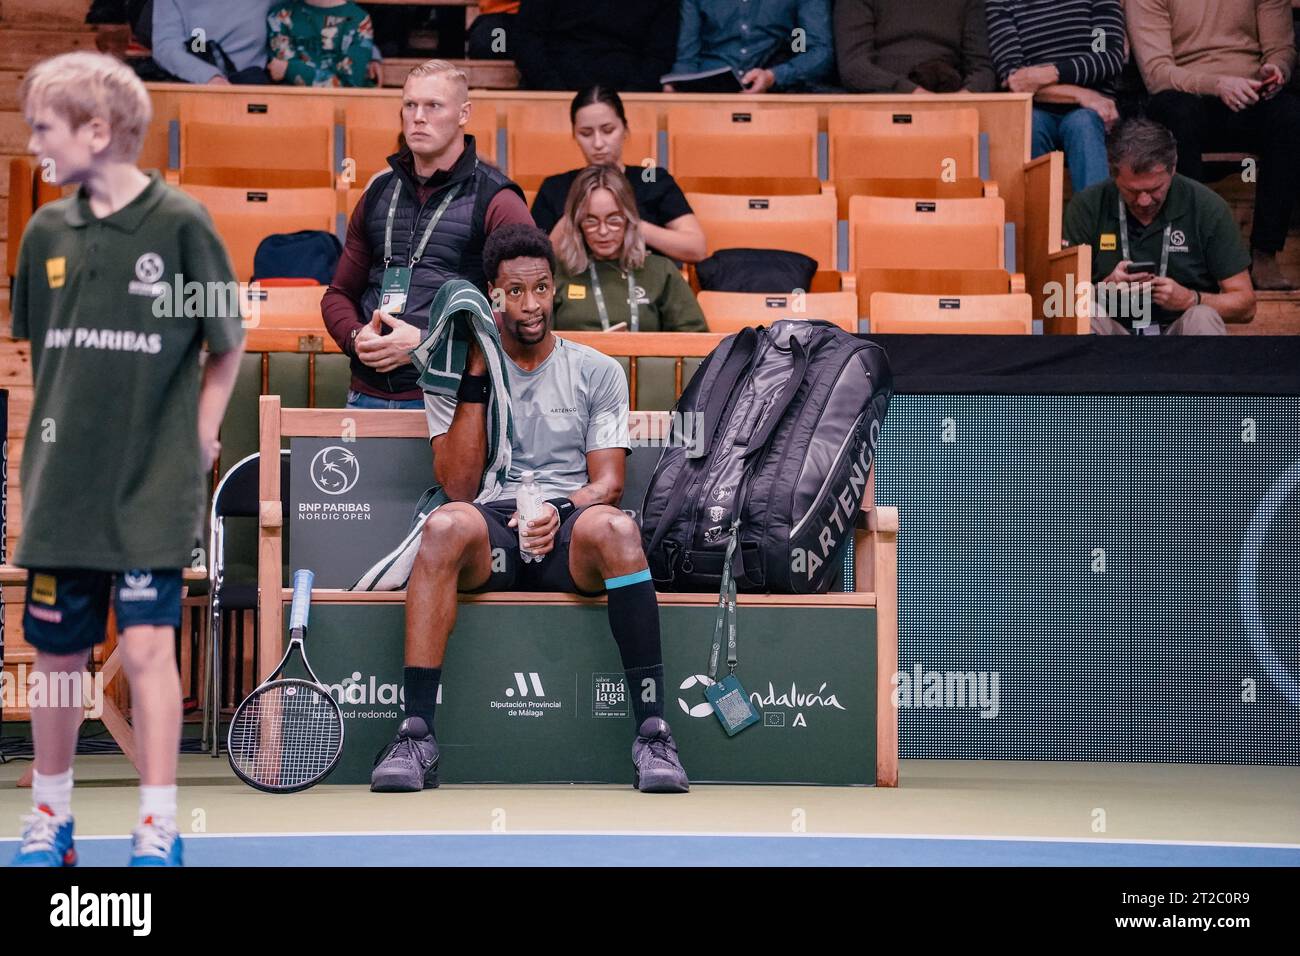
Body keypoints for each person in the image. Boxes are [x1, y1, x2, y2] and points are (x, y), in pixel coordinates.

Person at [9, 52, 245, 866]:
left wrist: (203, 431)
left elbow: (226, 343)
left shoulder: (181, 225)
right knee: (60, 656)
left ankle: (157, 825)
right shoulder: (45, 233)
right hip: (63, 488)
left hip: (153, 481)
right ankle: (52, 817)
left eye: (45, 127)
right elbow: (45, 356)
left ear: (98, 132)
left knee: (146, 648)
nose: (33, 140)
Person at [370, 224, 690, 794]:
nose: (531, 305)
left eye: (541, 289)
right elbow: (460, 486)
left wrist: (555, 511)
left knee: (618, 531)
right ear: (491, 292)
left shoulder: (598, 371)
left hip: (570, 526)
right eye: (514, 292)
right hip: (491, 522)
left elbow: (609, 483)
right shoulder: (451, 371)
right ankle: (416, 734)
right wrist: (475, 372)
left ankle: (653, 737)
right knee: (443, 527)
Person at [321, 60, 533, 409]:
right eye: (409, 105)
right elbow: (338, 295)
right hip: (365, 395)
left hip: (452, 399)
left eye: (433, 105)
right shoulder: (377, 192)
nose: (418, 116)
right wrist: (356, 336)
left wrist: (425, 342)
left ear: (464, 113)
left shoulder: (498, 200)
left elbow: (520, 307)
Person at [1127, 0, 1300, 289]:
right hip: (1187, 96)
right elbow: (1157, 74)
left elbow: (1281, 49)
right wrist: (1217, 84)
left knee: (1291, 115)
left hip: (1250, 93)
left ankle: (1265, 254)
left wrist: (1277, 69)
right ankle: (1192, 254)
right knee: (1175, 111)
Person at [1063, 118, 1254, 334]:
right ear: (1113, 173)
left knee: (1203, 316)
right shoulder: (1087, 206)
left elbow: (1246, 304)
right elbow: (1058, 298)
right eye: (1132, 191)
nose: (1144, 201)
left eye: (1155, 189)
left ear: (1173, 168)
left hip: (1177, 335)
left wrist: (1191, 299)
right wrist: (1103, 289)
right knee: (1082, 312)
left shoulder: (1207, 207)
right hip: (1113, 337)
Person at [531, 87, 706, 264]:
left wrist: (628, 222)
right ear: (574, 135)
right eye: (586, 133)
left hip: (644, 285)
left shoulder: (651, 178)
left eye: (608, 130)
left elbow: (696, 249)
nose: (598, 143)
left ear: (625, 129)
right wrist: (574, 215)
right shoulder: (555, 186)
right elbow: (534, 260)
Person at [985, 0, 1127, 190]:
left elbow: (1104, 56)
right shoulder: (1002, 3)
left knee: (1083, 124)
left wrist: (1051, 73)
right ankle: (1033, 219)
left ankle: (1094, 218)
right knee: (1029, 126)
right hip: (1036, 109)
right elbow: (1014, 78)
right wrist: (1079, 94)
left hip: (1091, 112)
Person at [552, 166, 707, 332]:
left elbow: (695, 342)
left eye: (614, 219)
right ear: (577, 223)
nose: (603, 231)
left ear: (629, 219)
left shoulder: (661, 271)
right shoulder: (557, 274)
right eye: (591, 221)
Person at [668, 0, 834, 93]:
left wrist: (774, 76)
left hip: (776, 96)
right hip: (708, 98)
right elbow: (687, 59)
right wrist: (678, 85)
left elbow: (818, 51)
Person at [513, 0, 679, 92]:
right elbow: (526, 38)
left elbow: (660, 54)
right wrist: (554, 90)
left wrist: (629, 97)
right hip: (554, 91)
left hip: (630, 97)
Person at [834, 0, 996, 93]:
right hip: (884, 100)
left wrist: (967, 96)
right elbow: (853, 68)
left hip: (951, 99)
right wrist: (908, 91)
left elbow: (983, 68)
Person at [267, 0, 376, 88]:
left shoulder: (359, 20)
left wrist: (290, 69)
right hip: (292, 107)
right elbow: (282, 78)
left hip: (343, 110)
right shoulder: (280, 16)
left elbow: (349, 85)